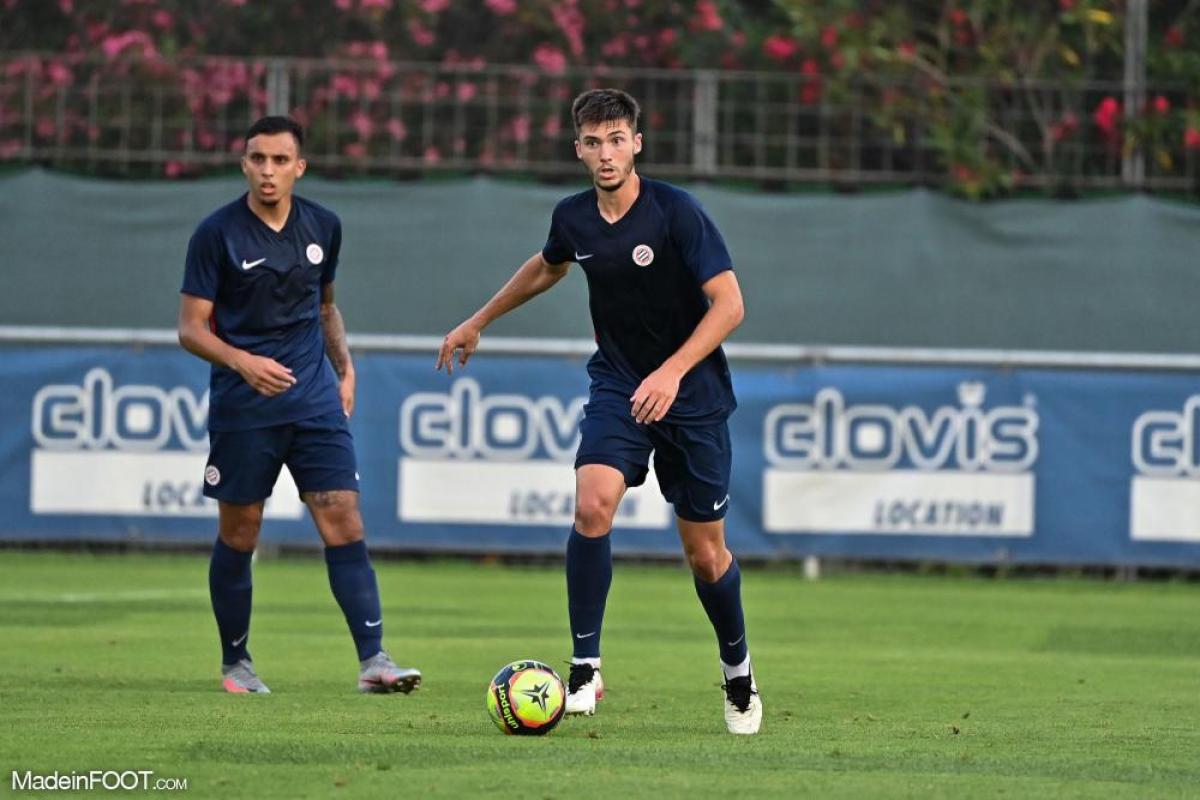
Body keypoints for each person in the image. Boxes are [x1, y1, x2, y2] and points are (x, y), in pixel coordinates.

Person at [437, 89, 761, 734]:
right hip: (619, 382)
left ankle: (738, 674)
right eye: (593, 142)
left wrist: (672, 371)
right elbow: (547, 267)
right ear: (578, 149)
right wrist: (478, 320)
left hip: (692, 394)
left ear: (637, 143)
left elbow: (730, 305)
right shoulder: (574, 217)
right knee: (592, 505)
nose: (606, 153)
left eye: (617, 140)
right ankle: (584, 669)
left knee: (705, 555)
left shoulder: (677, 212)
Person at [178, 115, 420, 695]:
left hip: (314, 401)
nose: (268, 171)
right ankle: (236, 664)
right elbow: (190, 329)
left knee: (344, 519)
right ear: (244, 164)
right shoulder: (216, 233)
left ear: (299, 167)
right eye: (258, 159)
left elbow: (325, 306)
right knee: (241, 532)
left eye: (280, 160)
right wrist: (242, 362)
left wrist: (345, 367)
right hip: (244, 407)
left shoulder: (323, 226)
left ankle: (375, 662)